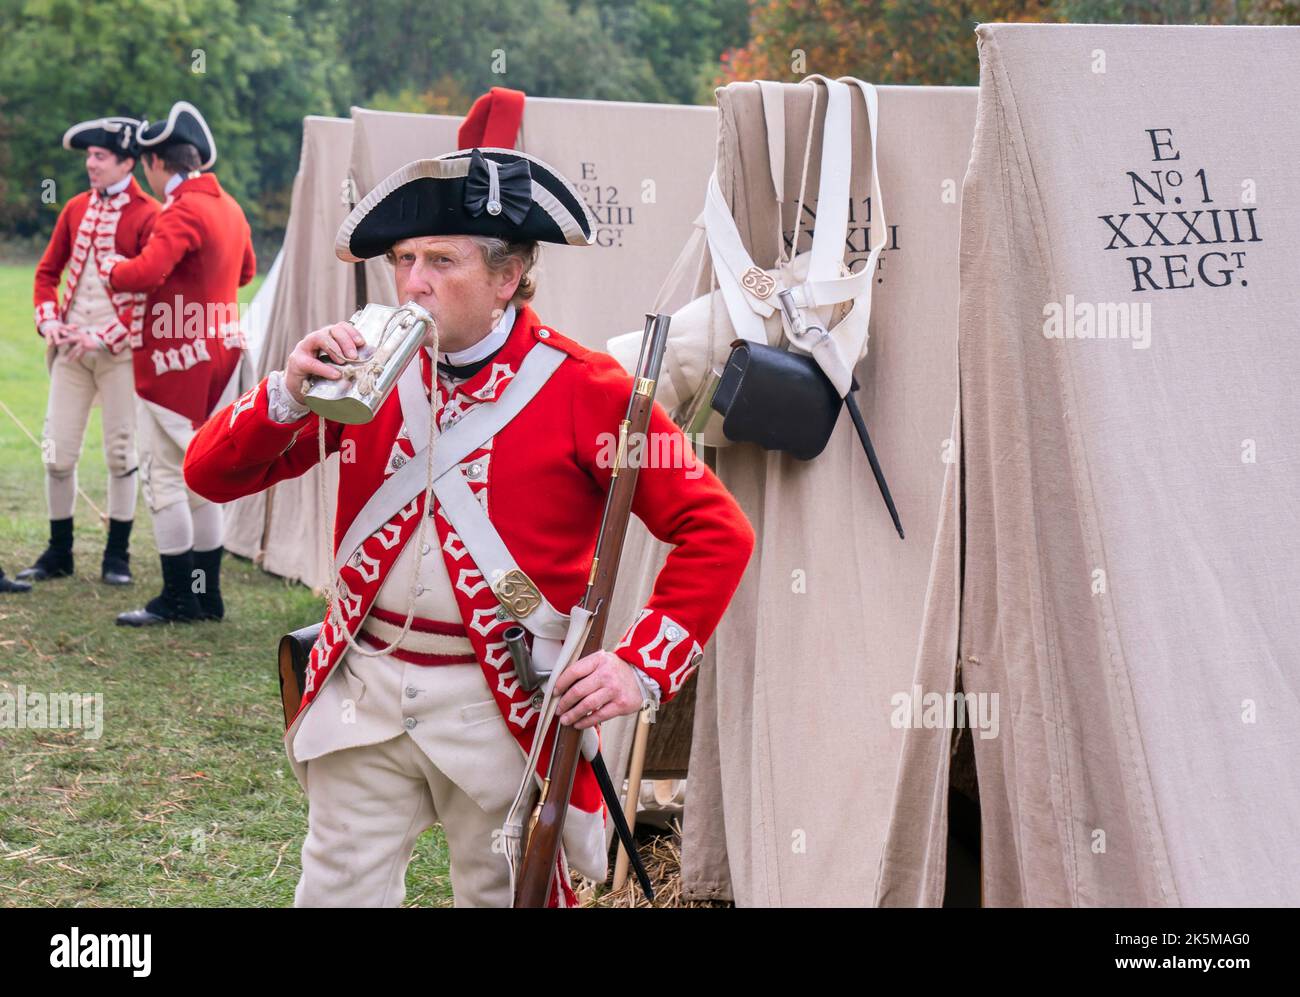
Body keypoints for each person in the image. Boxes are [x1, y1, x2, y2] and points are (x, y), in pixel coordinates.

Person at [183, 149, 754, 907]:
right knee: (333, 894)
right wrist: (287, 394)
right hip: (365, 692)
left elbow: (716, 529)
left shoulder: (585, 389)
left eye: (440, 260)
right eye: (404, 259)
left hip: (503, 712)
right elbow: (212, 474)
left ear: (507, 276)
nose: (413, 281)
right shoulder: (363, 374)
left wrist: (636, 667)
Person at [101, 101, 255, 626]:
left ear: (157, 163)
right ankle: (207, 596)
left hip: (174, 367)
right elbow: (245, 272)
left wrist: (114, 269)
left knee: (164, 479)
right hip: (222, 360)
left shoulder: (182, 210)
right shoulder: (230, 207)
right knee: (202, 480)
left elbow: (145, 272)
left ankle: (177, 600)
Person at [20, 116, 159, 586]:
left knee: (122, 454)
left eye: (99, 156)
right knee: (56, 451)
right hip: (72, 353)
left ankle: (115, 556)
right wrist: (50, 322)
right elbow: (46, 274)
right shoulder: (75, 208)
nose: (90, 164)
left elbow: (150, 294)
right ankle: (59, 552)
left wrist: (103, 336)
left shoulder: (149, 214)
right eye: (88, 156)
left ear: (126, 161)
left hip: (120, 354)